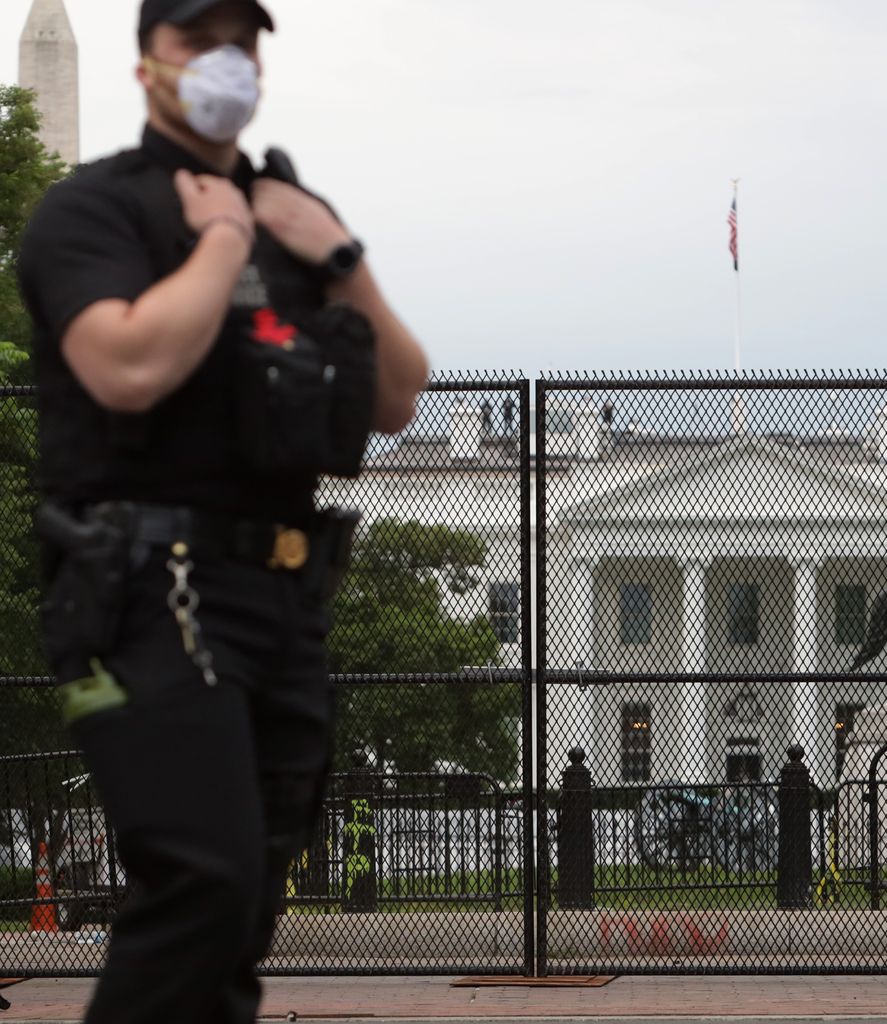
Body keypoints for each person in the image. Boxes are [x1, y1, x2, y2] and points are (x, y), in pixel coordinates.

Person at [17, 1, 429, 1021]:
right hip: (146, 590)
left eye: (241, 45)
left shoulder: (298, 216)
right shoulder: (93, 211)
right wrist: (225, 241)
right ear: (146, 64)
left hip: (281, 597)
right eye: (197, 42)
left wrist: (341, 257)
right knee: (204, 878)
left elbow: (397, 396)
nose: (224, 64)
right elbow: (127, 364)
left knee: (243, 911)